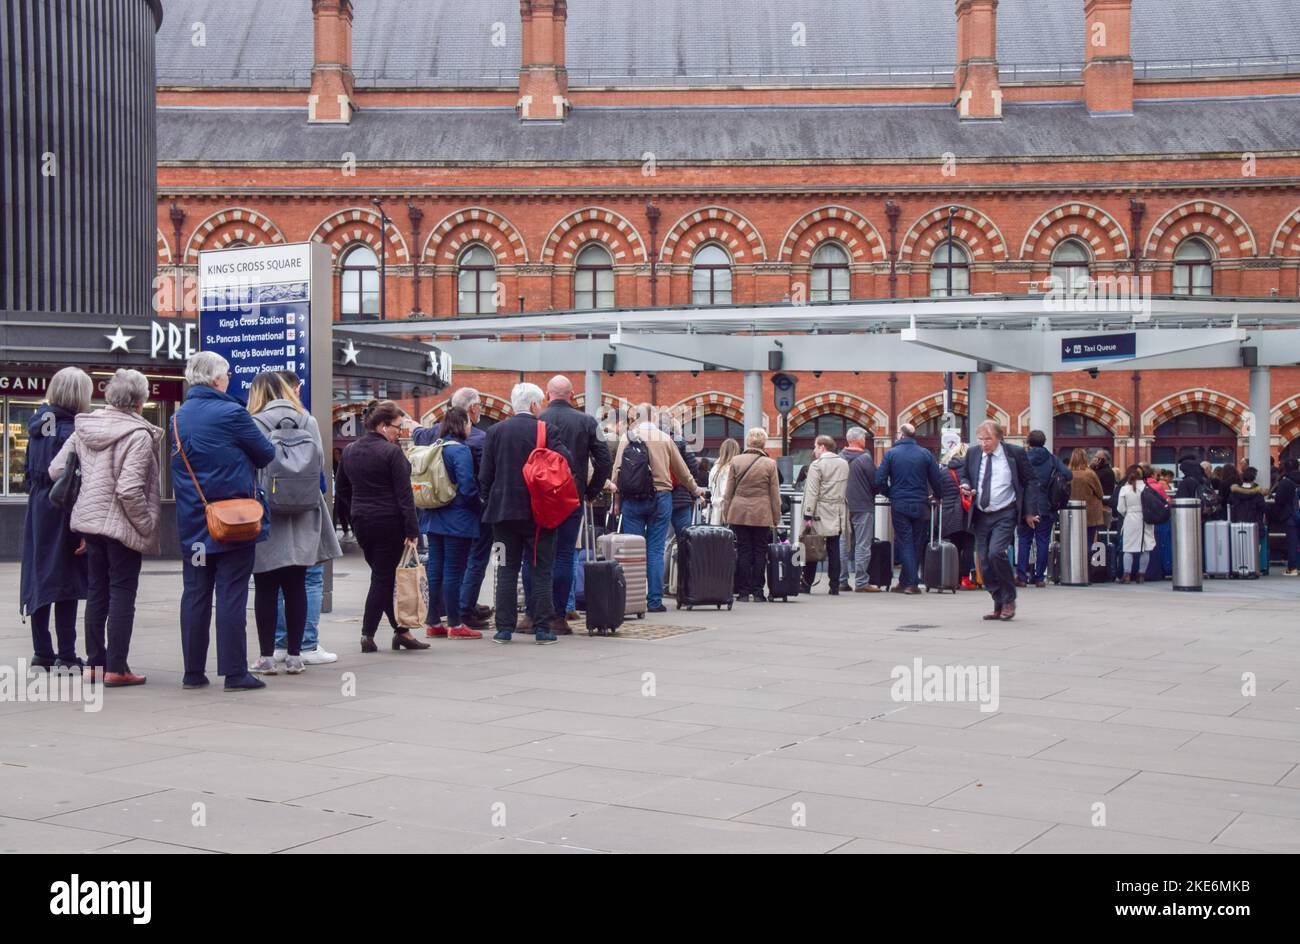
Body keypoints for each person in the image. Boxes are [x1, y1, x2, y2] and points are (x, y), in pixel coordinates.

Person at [48, 369, 163, 687]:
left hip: (90, 523)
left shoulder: (85, 426)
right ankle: (117, 667)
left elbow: (56, 469)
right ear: (140, 401)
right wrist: (145, 524)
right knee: (123, 591)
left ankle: (95, 664)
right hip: (123, 525)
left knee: (98, 590)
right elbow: (128, 489)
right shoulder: (138, 435)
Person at [171, 351, 276, 691]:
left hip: (195, 522)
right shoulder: (232, 412)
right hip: (233, 522)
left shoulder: (178, 416)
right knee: (231, 594)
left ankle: (193, 672)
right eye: (227, 373)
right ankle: (234, 672)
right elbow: (266, 453)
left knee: (196, 593)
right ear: (217, 379)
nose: (229, 378)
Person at [246, 372, 341, 675]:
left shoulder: (254, 422)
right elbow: (320, 463)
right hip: (304, 511)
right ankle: (297, 656)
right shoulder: (307, 420)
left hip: (266, 513)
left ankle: (266, 657)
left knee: (265, 585)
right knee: (296, 584)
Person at [479, 382, 574, 644]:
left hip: (501, 516)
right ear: (534, 405)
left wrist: (490, 501)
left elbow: (485, 475)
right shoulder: (547, 430)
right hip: (539, 514)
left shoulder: (495, 431)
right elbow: (565, 464)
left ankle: (503, 629)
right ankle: (543, 628)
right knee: (541, 568)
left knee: (504, 569)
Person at [336, 400, 429, 654]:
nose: (400, 432)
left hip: (362, 522)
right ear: (382, 425)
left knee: (384, 577)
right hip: (390, 522)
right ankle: (368, 634)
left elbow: (342, 488)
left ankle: (402, 633)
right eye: (397, 427)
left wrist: (358, 506)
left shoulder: (351, 450)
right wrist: (413, 531)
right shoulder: (391, 453)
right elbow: (404, 496)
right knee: (382, 578)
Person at [524, 375, 612, 634]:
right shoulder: (588, 421)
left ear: (547, 396)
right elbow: (604, 460)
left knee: (534, 555)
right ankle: (558, 618)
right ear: (572, 395)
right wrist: (591, 491)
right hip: (571, 495)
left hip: (538, 495)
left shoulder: (536, 420)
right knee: (564, 554)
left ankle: (531, 614)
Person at [19, 367, 90, 672]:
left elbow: (27, 474)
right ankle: (67, 654)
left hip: (38, 509)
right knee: (67, 581)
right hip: (65, 509)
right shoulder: (72, 429)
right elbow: (76, 476)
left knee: (40, 575)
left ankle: (41, 651)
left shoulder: (37, 426)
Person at [609, 402, 705, 613]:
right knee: (655, 549)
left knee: (633, 551)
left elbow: (616, 473)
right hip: (661, 498)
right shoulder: (664, 439)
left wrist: (616, 503)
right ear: (653, 418)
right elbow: (682, 471)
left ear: (636, 417)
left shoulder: (627, 438)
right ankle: (654, 601)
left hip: (632, 500)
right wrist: (695, 489)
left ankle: (632, 600)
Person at [413, 386, 495, 629]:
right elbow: (468, 488)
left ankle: (433, 620)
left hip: (433, 517)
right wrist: (479, 506)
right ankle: (456, 624)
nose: (472, 428)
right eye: (469, 424)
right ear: (463, 424)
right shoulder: (459, 450)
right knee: (454, 571)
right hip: (457, 520)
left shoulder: (435, 445)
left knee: (436, 569)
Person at [959, 421, 1039, 621]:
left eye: (988, 439)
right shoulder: (974, 453)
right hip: (981, 513)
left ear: (999, 438)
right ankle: (998, 600)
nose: (984, 443)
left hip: (1005, 511)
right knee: (984, 563)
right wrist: (966, 485)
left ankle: (1009, 599)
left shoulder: (1014, 453)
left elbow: (1030, 481)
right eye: (981, 439)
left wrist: (1029, 512)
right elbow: (965, 475)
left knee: (996, 553)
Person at [875, 422, 945, 594]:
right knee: (915, 542)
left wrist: (891, 493)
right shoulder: (925, 454)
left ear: (901, 435)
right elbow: (937, 479)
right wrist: (938, 495)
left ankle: (911, 583)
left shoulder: (891, 453)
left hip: (899, 503)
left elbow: (879, 480)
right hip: (921, 503)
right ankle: (905, 581)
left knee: (905, 542)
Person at [721, 427, 780, 602]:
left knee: (743, 549)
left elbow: (728, 492)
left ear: (748, 441)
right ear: (763, 443)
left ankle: (743, 591)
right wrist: (776, 518)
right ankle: (759, 591)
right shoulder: (770, 464)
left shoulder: (736, 461)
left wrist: (726, 514)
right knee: (760, 551)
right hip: (761, 513)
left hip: (739, 512)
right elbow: (775, 494)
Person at [1015, 430, 1071, 588]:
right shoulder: (1052, 458)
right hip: (1046, 506)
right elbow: (1068, 474)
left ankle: (1021, 576)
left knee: (1024, 541)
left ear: (1028, 442)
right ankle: (1039, 577)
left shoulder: (1023, 458)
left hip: (1026, 506)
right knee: (1043, 542)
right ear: (1044, 441)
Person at [801, 435, 850, 595]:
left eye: (815, 447)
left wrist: (807, 515)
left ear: (822, 447)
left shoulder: (817, 465)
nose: (814, 450)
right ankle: (834, 585)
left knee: (811, 546)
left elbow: (812, 492)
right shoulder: (844, 464)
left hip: (819, 511)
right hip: (838, 510)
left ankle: (806, 583)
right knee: (833, 547)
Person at [839, 427, 878, 592]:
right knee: (862, 544)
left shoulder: (839, 458)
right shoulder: (865, 459)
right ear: (859, 440)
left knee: (842, 544)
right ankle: (861, 582)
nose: (865, 440)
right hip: (863, 506)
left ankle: (841, 580)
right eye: (864, 438)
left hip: (841, 506)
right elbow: (876, 482)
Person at [939, 442, 978, 591]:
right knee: (968, 546)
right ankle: (964, 579)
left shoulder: (944, 471)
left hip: (949, 512)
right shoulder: (972, 472)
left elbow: (938, 490)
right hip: (968, 511)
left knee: (954, 545)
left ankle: (952, 577)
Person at [662, 411, 704, 542]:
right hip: (681, 497)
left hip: (660, 496)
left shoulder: (652, 441)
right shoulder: (680, 442)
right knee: (684, 538)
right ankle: (684, 563)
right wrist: (693, 489)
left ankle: (663, 563)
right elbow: (693, 469)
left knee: (664, 540)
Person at [1116, 463, 1155, 583]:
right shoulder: (1146, 488)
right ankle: (1141, 574)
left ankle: (1126, 574)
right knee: (1146, 547)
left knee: (1128, 547)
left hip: (1130, 519)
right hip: (1145, 519)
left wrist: (1128, 513)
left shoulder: (1124, 489)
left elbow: (1120, 508)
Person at [1068, 448, 1106, 548]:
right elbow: (1100, 493)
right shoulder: (1089, 474)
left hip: (1071, 512)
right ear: (1085, 458)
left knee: (1073, 541)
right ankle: (1086, 562)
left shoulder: (1067, 473)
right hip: (1089, 514)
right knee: (1088, 540)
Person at [1271, 458, 1300, 575]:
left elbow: (1279, 500)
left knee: (1292, 542)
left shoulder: (1285, 482)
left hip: (1290, 515)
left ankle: (1293, 568)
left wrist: (1278, 515)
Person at [708, 438, 741, 525]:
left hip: (716, 509)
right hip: (727, 511)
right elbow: (725, 493)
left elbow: (710, 487)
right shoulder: (729, 469)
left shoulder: (714, 468)